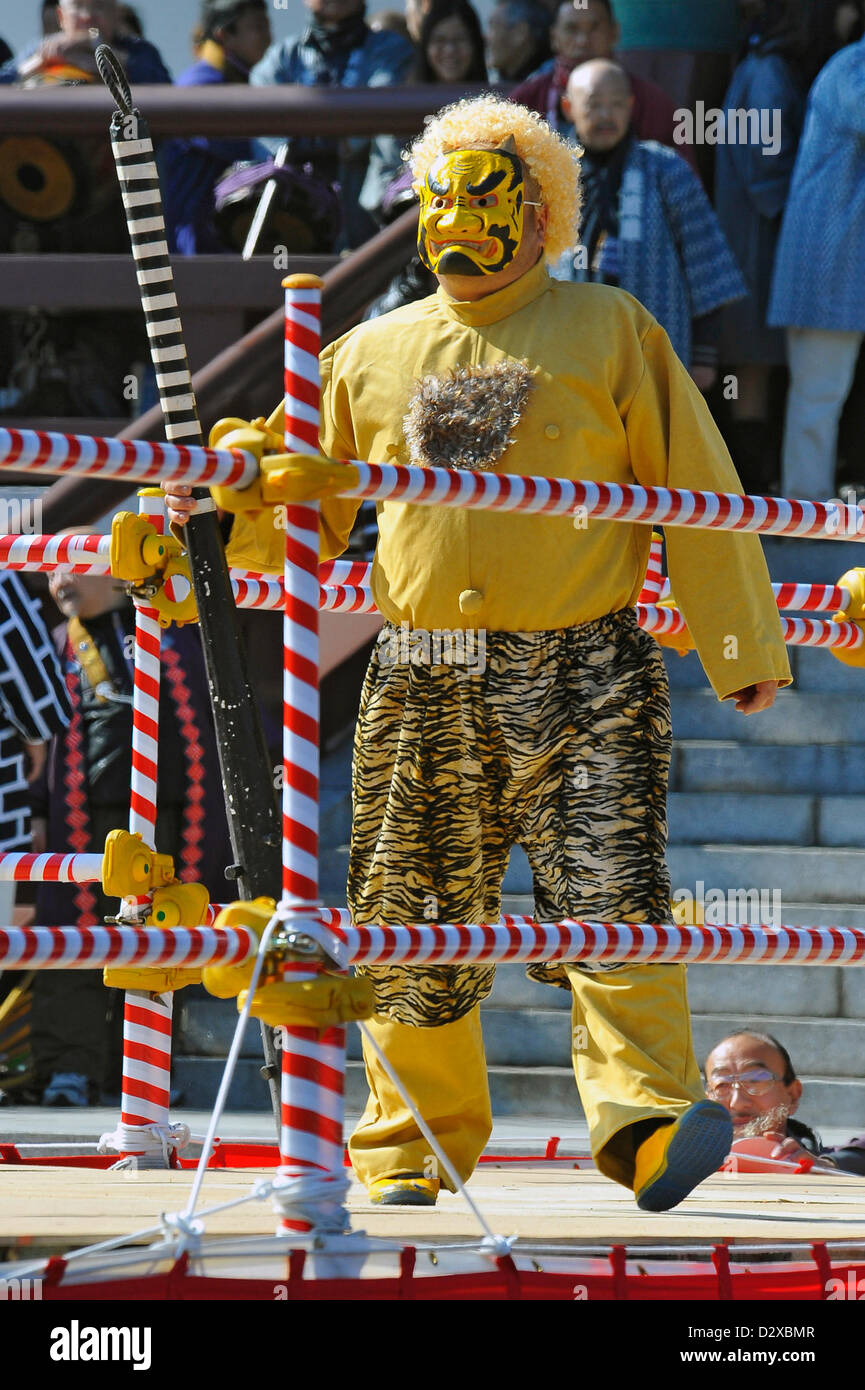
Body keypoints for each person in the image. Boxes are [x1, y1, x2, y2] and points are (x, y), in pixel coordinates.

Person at [166, 94, 790, 1213]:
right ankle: (409, 1141)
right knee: (411, 908)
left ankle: (645, 1124)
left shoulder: (611, 326)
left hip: (586, 666)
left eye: (486, 196)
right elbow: (294, 513)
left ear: (543, 215)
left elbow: (696, 486)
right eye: (441, 195)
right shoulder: (367, 350)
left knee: (614, 896)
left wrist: (736, 639)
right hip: (425, 665)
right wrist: (217, 510)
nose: (458, 217)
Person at [27, 566, 232, 1106]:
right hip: (81, 821)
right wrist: (39, 812)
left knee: (160, 938)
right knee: (74, 939)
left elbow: (210, 721)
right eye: (52, 573)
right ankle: (68, 1069)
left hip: (169, 817)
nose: (58, 582)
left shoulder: (173, 635)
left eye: (72, 569)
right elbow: (38, 741)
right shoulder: (54, 644)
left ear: (116, 577)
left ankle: (147, 1073)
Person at [556, 60, 746, 389]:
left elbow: (707, 267)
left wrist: (703, 356)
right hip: (567, 349)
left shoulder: (667, 169)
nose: (606, 115)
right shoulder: (551, 175)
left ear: (631, 106)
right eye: (594, 105)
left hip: (654, 348)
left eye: (617, 104)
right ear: (569, 108)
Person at [714, 0, 809, 496]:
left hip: (747, 229)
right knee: (752, 364)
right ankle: (750, 491)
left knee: (752, 366)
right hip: (756, 235)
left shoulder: (756, 64)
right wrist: (805, 201)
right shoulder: (768, 70)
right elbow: (766, 164)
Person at [767, 29, 865, 502]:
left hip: (843, 261)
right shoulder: (853, 67)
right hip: (829, 260)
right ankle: (807, 519)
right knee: (818, 396)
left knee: (820, 397)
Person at [249, 0, 414, 249]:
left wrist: (304, 127)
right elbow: (263, 116)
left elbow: (382, 105)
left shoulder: (390, 48)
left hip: (369, 223)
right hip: (298, 220)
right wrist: (345, 133)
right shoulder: (283, 57)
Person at [511, 0, 696, 170]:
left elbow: (682, 176)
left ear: (614, 32)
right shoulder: (526, 101)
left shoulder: (651, 102)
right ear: (554, 37)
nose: (583, 40)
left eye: (594, 28)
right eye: (571, 29)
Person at [160, 0, 273, 255]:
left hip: (220, 240)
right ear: (225, 36)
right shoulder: (200, 85)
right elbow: (255, 147)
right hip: (193, 244)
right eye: (258, 27)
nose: (269, 38)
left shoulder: (240, 82)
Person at [705, 1031, 865, 1176]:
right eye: (721, 1085)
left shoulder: (821, 1163)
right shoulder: (690, 1170)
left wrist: (827, 1166)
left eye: (756, 1079)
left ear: (793, 1095)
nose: (737, 1102)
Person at [0, 0, 171, 84]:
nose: (88, 16)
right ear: (61, 16)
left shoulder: (138, 51)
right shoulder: (42, 47)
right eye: (78, 5)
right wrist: (38, 63)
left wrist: (118, 62)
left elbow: (164, 92)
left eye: (99, 6)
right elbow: (5, 81)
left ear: (115, 13)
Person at [485, 0, 551, 83]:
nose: (485, 37)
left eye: (493, 26)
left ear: (520, 33)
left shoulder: (547, 84)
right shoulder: (496, 81)